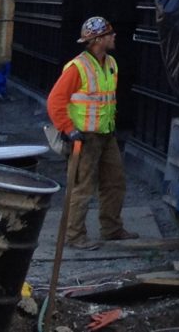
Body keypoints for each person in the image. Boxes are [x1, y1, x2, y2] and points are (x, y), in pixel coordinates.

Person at [46, 15, 138, 247]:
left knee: (115, 182)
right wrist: (68, 129)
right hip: (85, 138)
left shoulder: (110, 64)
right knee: (82, 188)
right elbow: (55, 100)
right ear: (98, 39)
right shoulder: (78, 67)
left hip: (106, 134)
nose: (114, 37)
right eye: (110, 34)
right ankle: (75, 235)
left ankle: (112, 229)